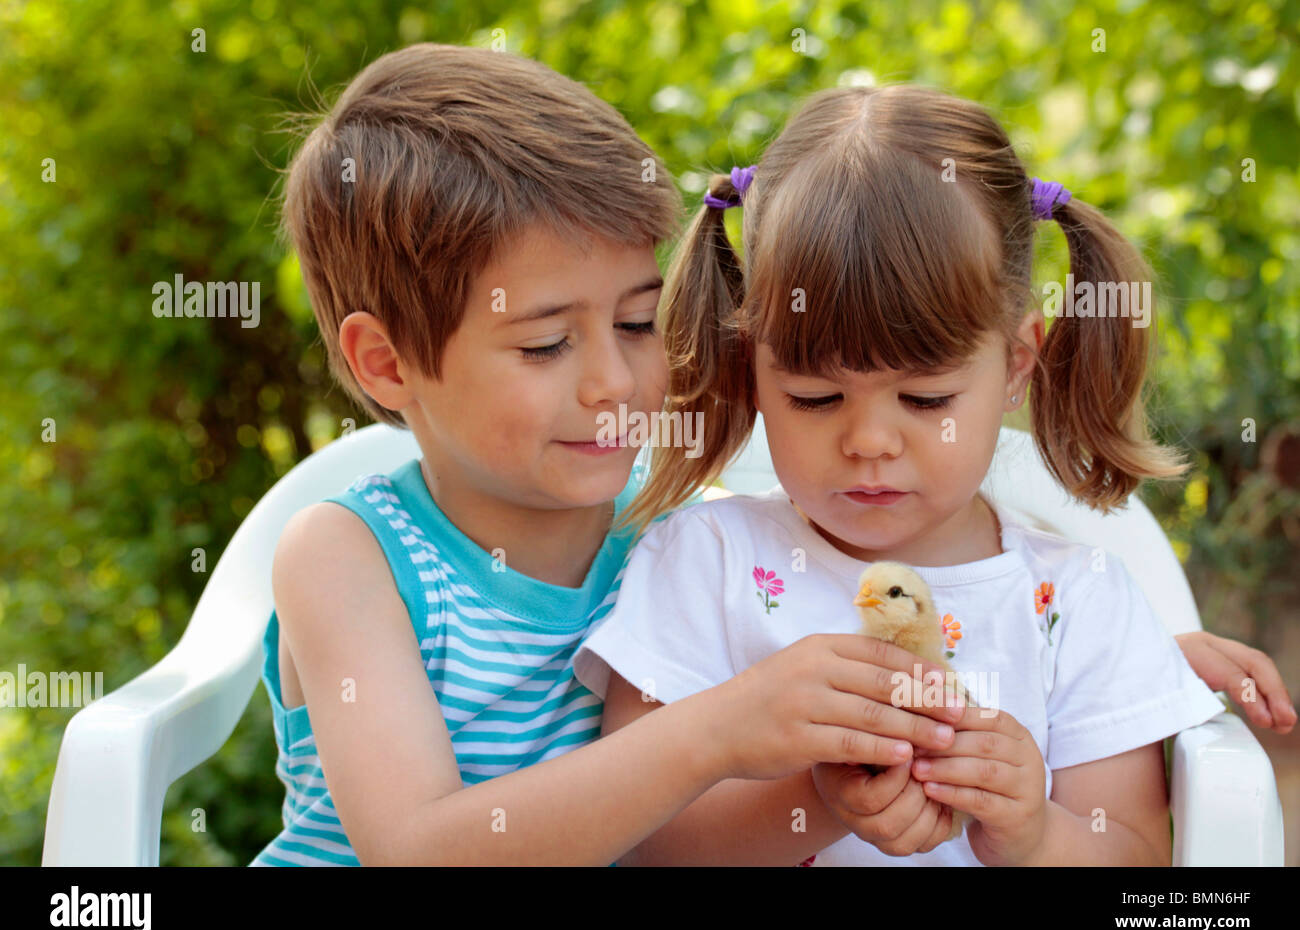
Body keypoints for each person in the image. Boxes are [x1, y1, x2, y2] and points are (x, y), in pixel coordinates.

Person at [250, 45, 971, 865]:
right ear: (386, 363)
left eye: (636, 323)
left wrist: (825, 790)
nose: (613, 381)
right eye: (547, 344)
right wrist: (717, 733)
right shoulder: (350, 558)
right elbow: (417, 849)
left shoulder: (688, 539)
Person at [577, 83, 1295, 866]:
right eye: (815, 397)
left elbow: (1140, 874)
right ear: (752, 369)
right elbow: (641, 843)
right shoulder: (703, 565)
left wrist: (1034, 832)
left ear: (1017, 365)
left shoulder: (1081, 605)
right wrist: (813, 801)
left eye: (926, 398)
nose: (870, 441)